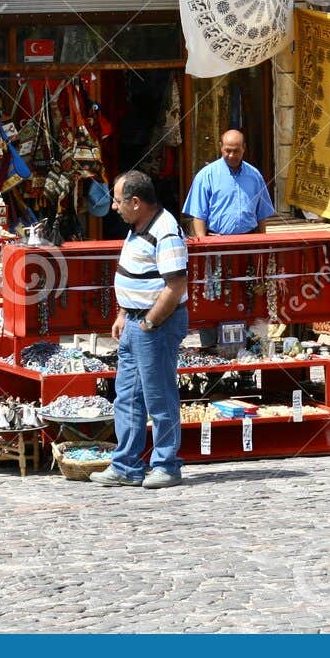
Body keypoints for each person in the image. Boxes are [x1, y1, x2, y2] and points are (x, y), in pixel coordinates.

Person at [90, 170, 189, 490]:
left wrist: (149, 322)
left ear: (136, 201)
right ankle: (126, 465)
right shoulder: (138, 228)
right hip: (135, 321)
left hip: (154, 324)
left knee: (159, 395)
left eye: (119, 201)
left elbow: (175, 287)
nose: (115, 207)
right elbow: (135, 275)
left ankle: (166, 464)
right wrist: (124, 313)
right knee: (127, 396)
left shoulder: (166, 231)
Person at [182, 128, 275, 238]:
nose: (231, 155)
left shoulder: (255, 176)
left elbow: (261, 215)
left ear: (243, 148)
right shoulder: (206, 176)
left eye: (236, 151)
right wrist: (204, 244)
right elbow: (198, 216)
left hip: (249, 240)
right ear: (221, 147)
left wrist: (262, 242)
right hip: (216, 241)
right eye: (228, 151)